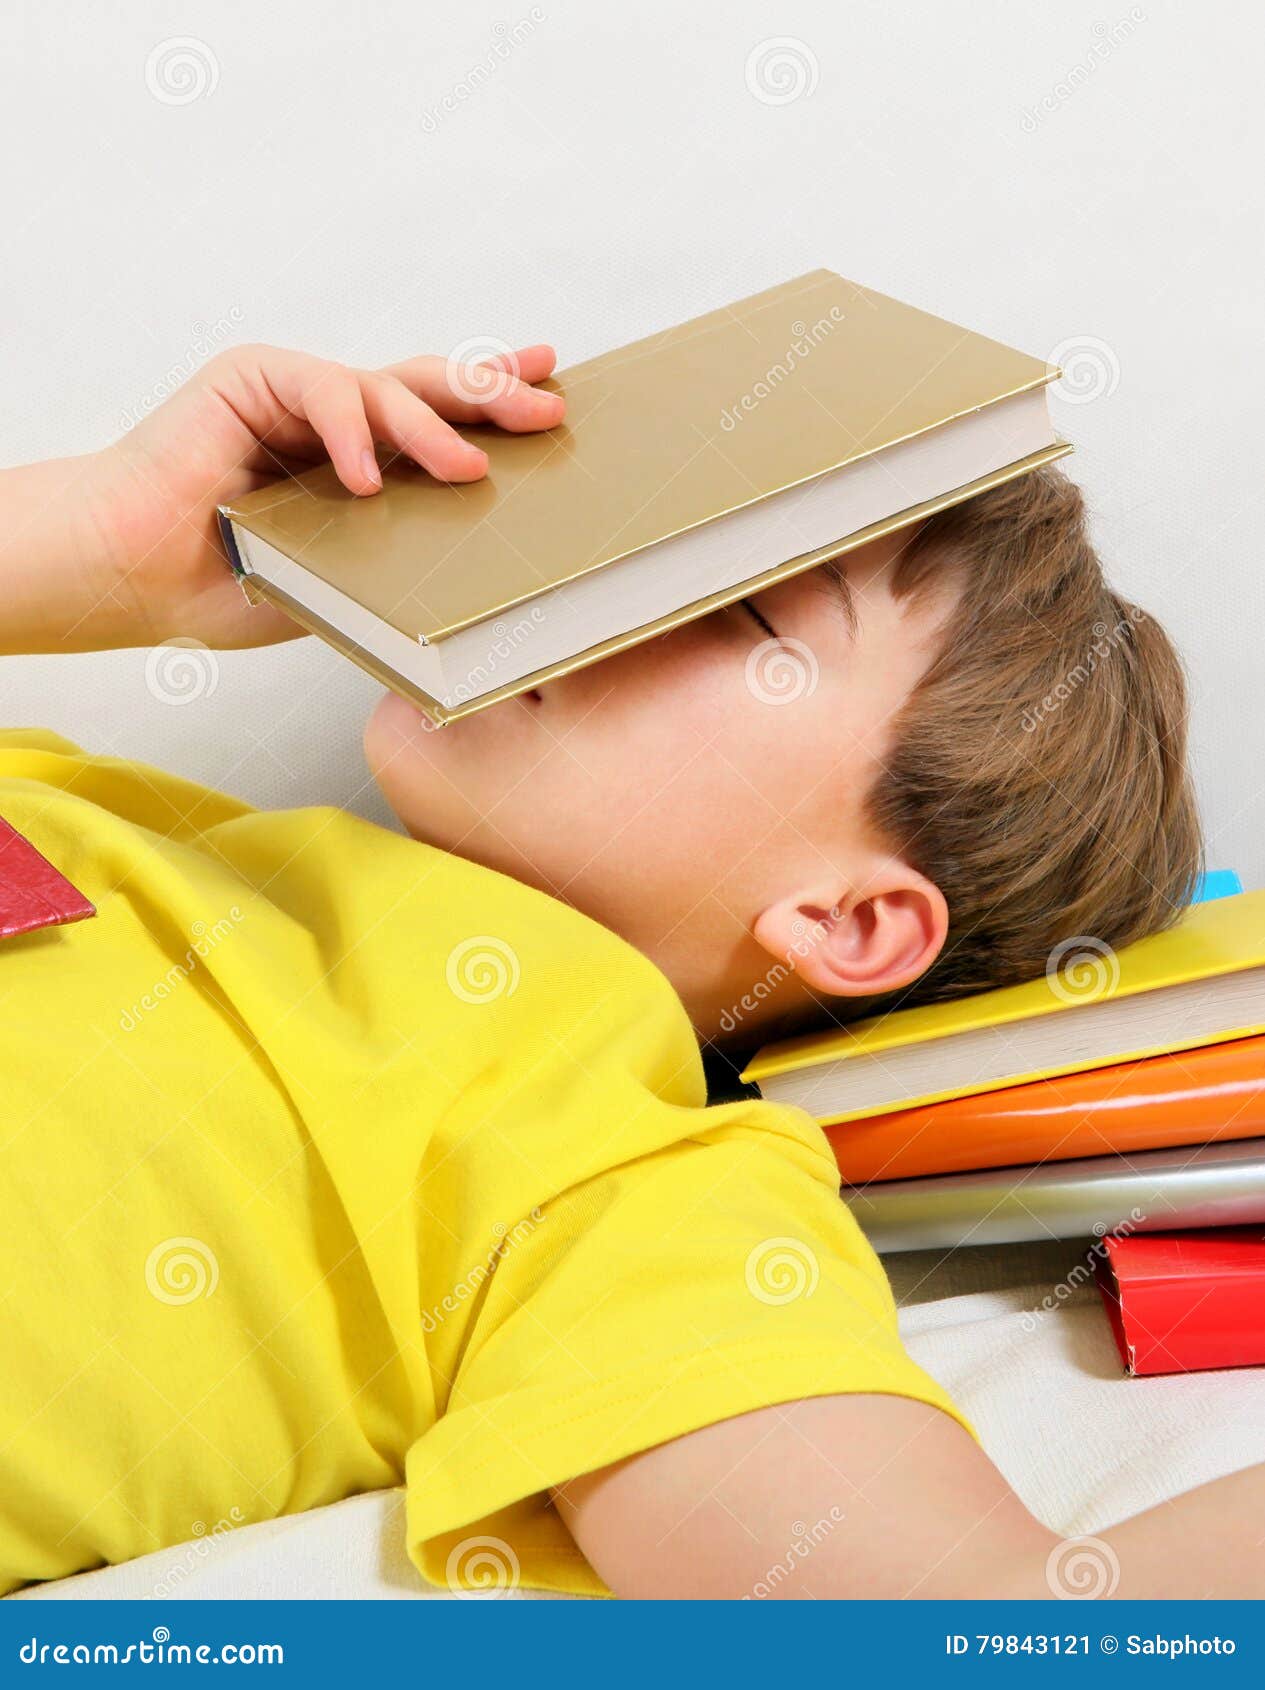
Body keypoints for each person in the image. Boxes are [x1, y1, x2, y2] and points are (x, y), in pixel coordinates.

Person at [4, 339, 1242, 1604]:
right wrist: (95, 549)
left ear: (851, 922)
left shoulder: (625, 1167)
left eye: (736, 609)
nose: (585, 591)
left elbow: (944, 1625)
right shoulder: (141, 824)